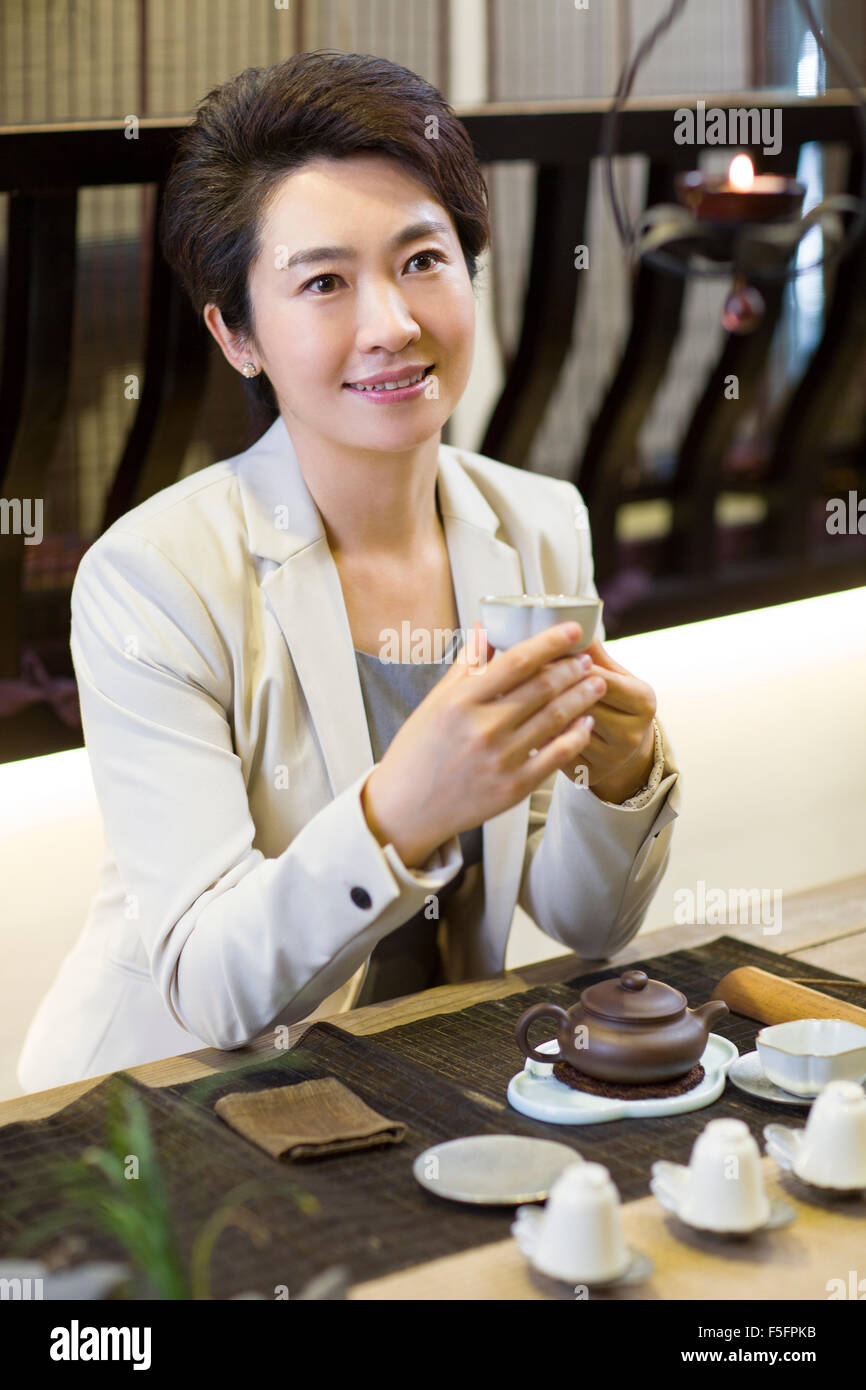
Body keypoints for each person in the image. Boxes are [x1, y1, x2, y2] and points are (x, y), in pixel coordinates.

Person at [18, 51, 680, 1092]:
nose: (392, 324)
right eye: (323, 281)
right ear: (237, 334)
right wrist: (403, 809)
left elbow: (581, 920)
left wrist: (619, 776)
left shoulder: (538, 523)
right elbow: (212, 983)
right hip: (164, 1118)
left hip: (429, 1089)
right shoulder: (151, 578)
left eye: (422, 259)